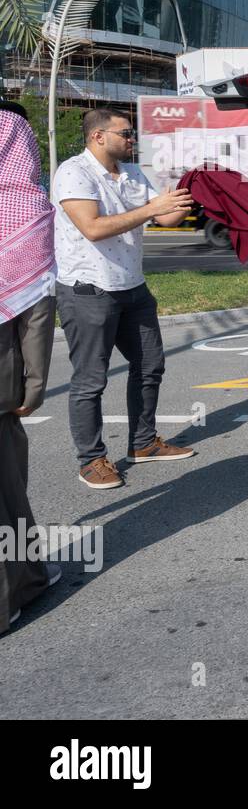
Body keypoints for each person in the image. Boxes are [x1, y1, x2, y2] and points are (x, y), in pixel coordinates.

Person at [52, 107, 197, 490]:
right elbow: (93, 228)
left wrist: (187, 196)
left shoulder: (132, 173)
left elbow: (164, 220)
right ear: (99, 136)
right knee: (90, 381)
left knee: (151, 366)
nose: (132, 140)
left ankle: (144, 443)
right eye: (126, 133)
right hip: (89, 290)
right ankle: (91, 459)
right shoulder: (74, 173)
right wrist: (151, 208)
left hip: (132, 287)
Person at [0, 100, 60, 632]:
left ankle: (31, 579)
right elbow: (36, 310)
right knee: (7, 488)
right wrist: (34, 385)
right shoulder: (19, 208)